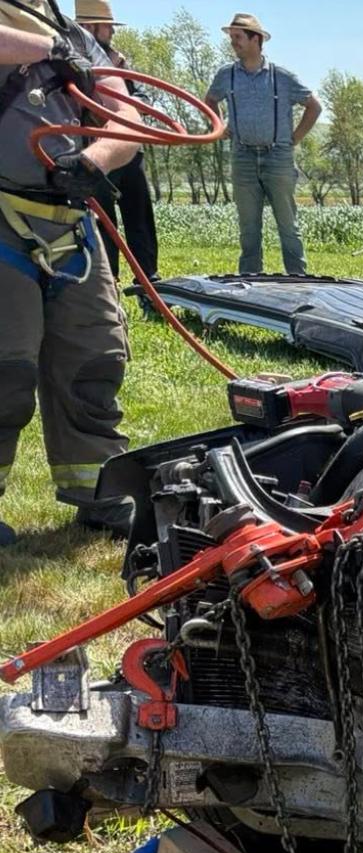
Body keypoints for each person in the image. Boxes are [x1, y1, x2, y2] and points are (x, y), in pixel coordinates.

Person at [0, 0, 143, 544]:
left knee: (95, 359)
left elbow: (126, 116)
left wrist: (95, 161)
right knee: (4, 368)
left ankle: (99, 488)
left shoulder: (77, 36)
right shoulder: (54, 41)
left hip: (68, 223)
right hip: (2, 217)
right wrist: (49, 51)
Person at [204, 12, 318, 275]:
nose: (233, 42)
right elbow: (209, 101)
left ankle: (298, 281)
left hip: (277, 157)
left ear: (256, 40)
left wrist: (295, 138)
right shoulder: (226, 75)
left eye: (238, 37)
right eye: (232, 37)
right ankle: (249, 283)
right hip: (242, 156)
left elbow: (314, 106)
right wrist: (219, 125)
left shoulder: (282, 77)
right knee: (248, 228)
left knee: (288, 226)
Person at [74, 0, 155, 280]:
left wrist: (126, 106)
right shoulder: (70, 66)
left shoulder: (119, 61)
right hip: (96, 153)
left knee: (140, 221)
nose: (112, 33)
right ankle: (109, 285)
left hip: (129, 151)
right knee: (102, 224)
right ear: (88, 27)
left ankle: (149, 286)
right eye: (107, 27)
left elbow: (142, 97)